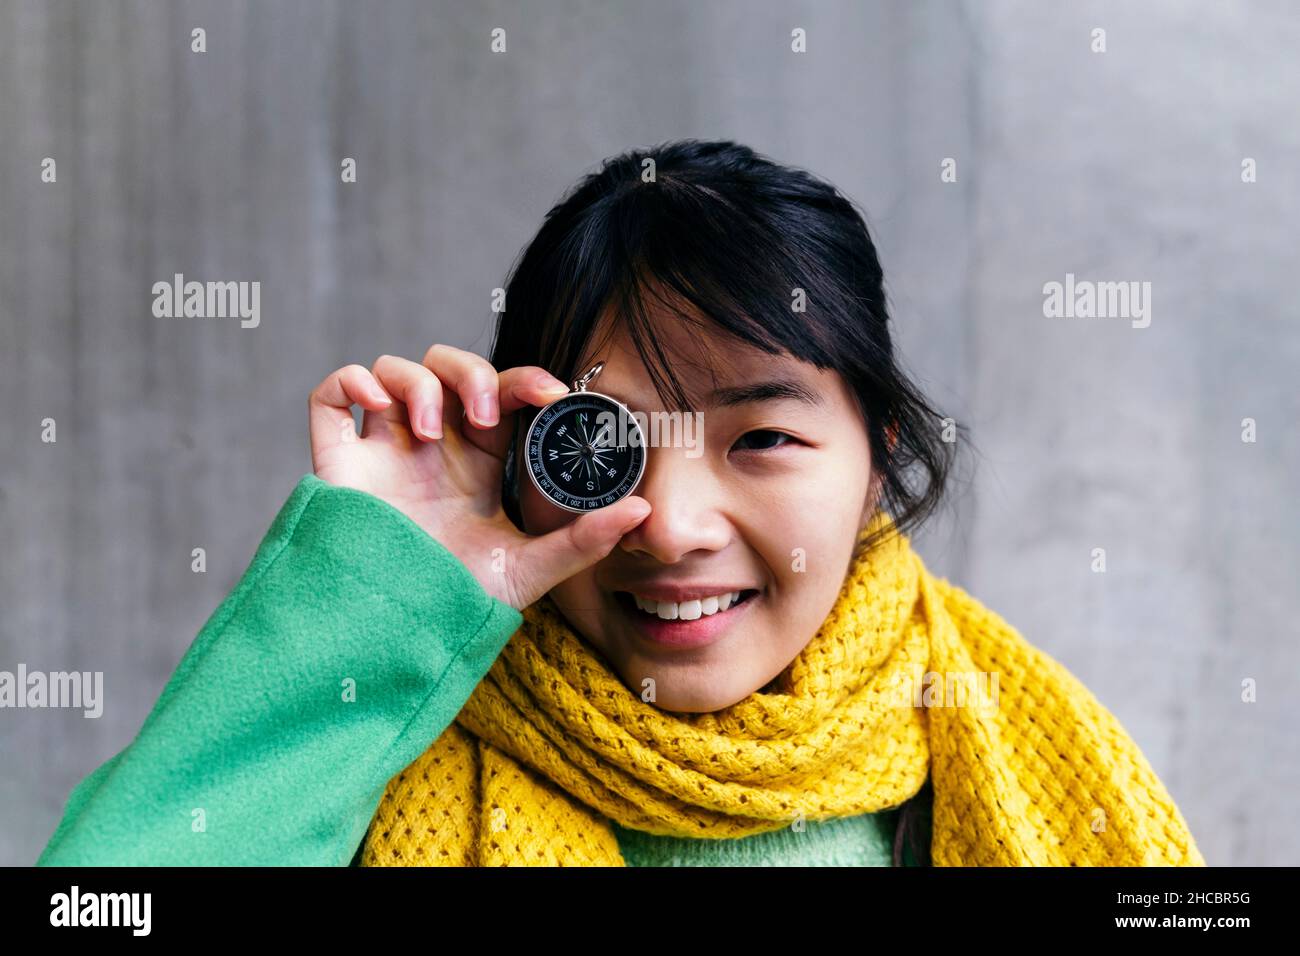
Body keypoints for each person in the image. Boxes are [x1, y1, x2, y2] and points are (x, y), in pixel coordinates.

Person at [36, 139, 1203, 867]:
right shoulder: (374, 742)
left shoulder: (1007, 758)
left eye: (764, 437)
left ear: (875, 459)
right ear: (524, 452)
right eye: (604, 447)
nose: (674, 522)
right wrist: (376, 589)